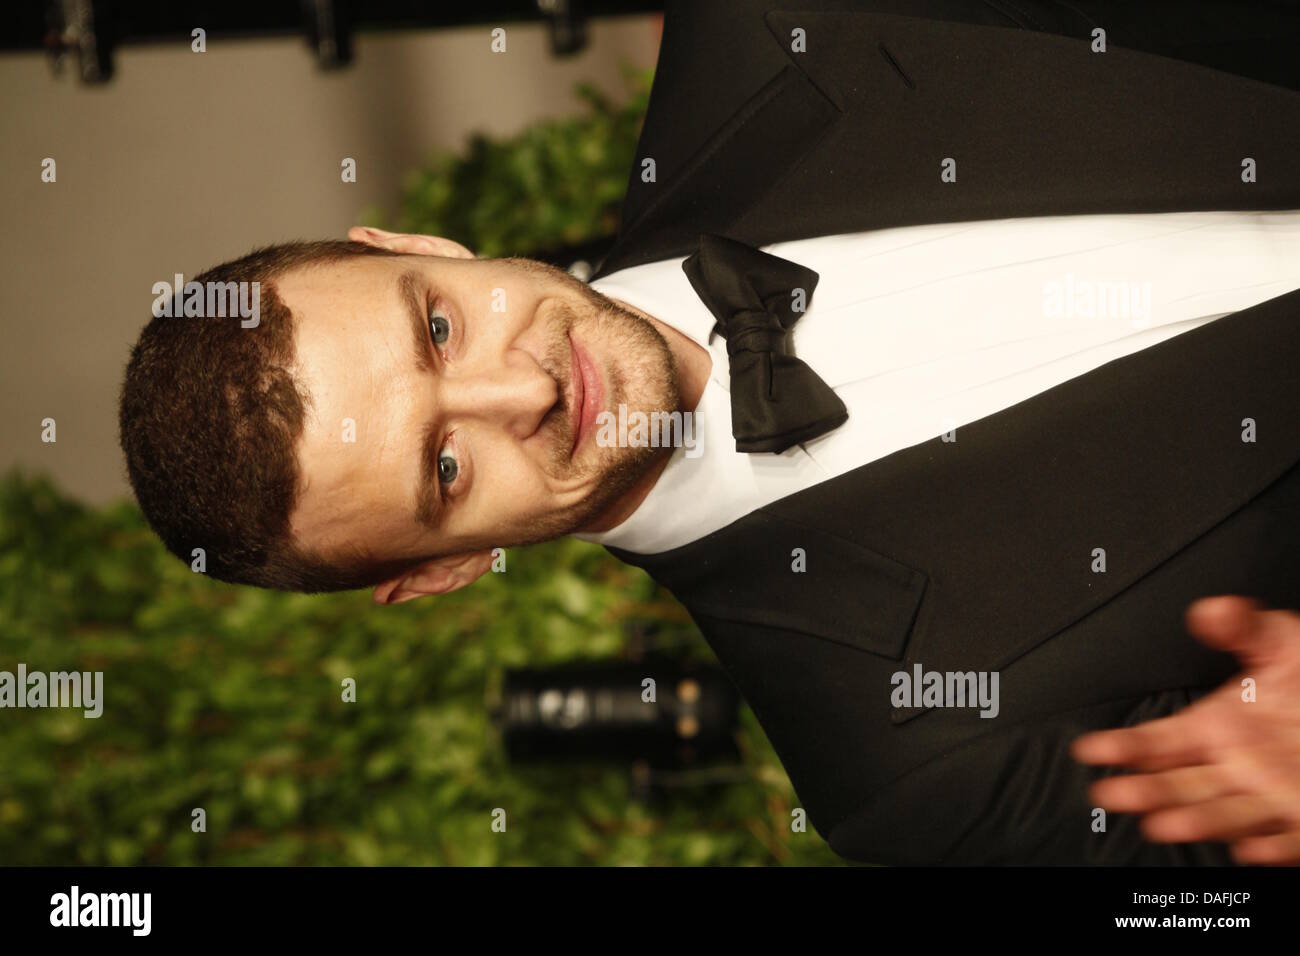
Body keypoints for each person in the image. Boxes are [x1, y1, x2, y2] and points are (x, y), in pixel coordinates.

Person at [118, 0, 1300, 863]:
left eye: (436, 331)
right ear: (441, 569)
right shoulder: (909, 776)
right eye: (443, 465)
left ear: (420, 250)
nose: (518, 391)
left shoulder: (770, 24)